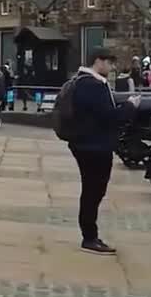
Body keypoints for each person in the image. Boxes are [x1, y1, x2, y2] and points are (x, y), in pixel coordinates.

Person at [57, 48, 134, 255]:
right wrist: (129, 106)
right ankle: (89, 237)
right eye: (110, 63)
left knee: (92, 190)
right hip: (93, 146)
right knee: (94, 191)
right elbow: (109, 117)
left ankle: (89, 235)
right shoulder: (93, 85)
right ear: (99, 61)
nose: (112, 67)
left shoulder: (82, 82)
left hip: (85, 144)